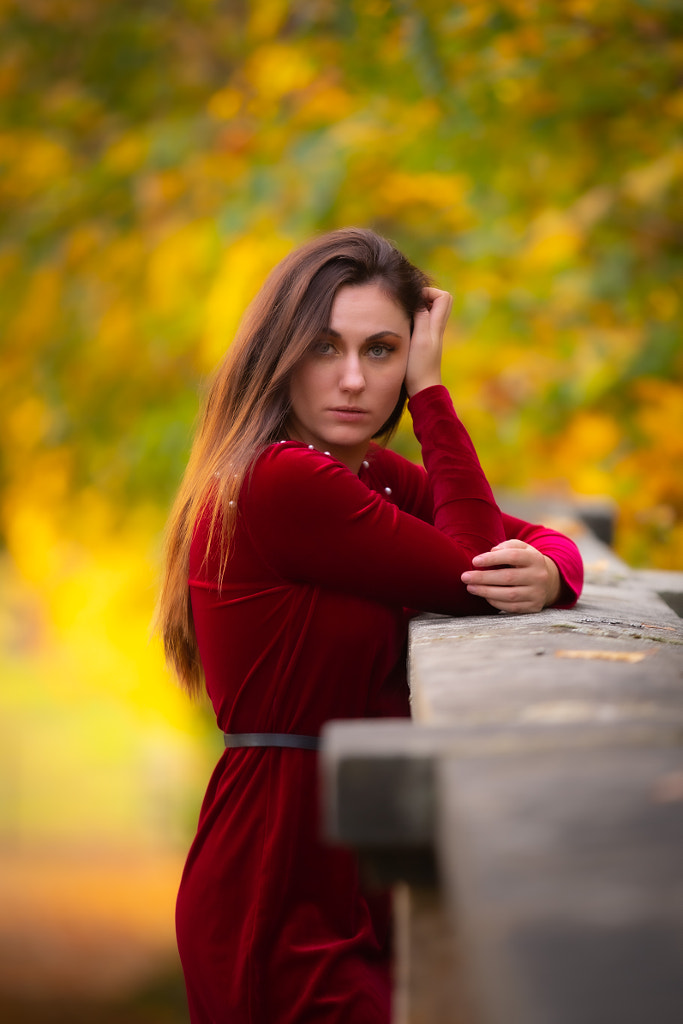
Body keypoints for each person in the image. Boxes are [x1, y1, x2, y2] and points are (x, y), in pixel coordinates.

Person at [156, 227, 583, 1023]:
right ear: (277, 355)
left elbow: (520, 538)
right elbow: (473, 567)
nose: (352, 379)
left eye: (383, 351)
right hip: (276, 875)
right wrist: (429, 395)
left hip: (358, 858)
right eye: (325, 347)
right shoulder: (282, 481)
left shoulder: (367, 477)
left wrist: (557, 568)